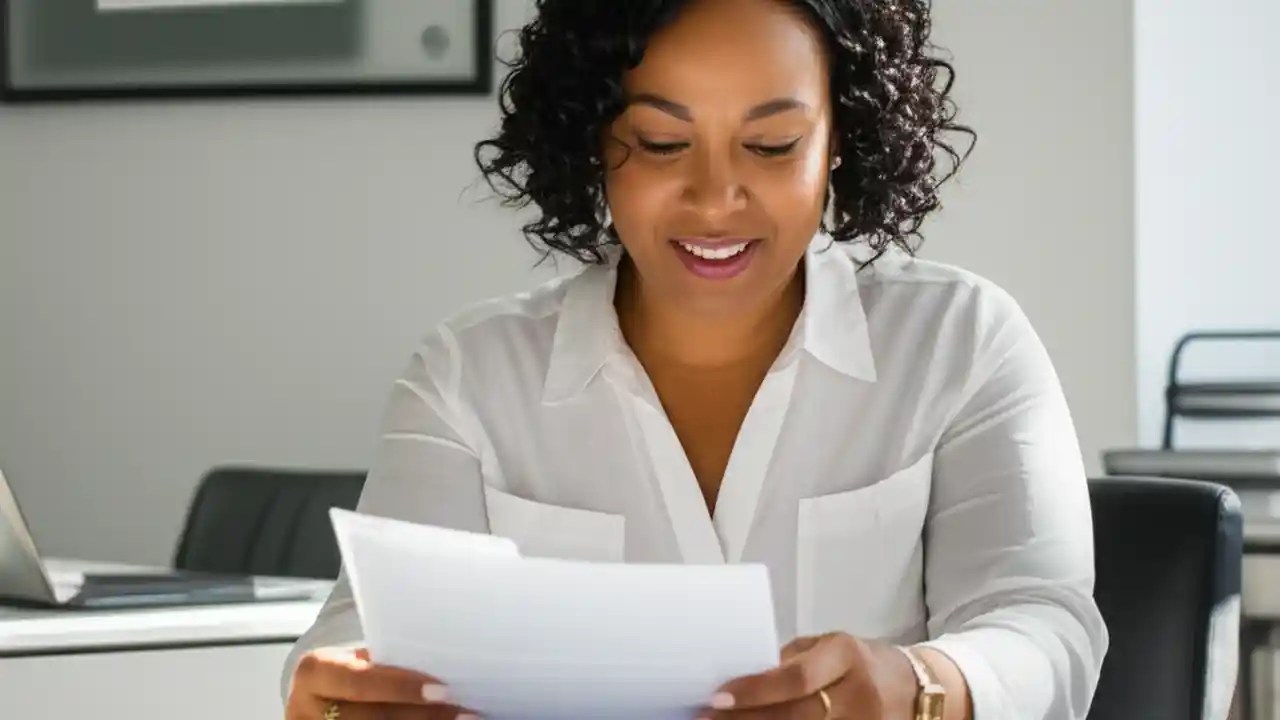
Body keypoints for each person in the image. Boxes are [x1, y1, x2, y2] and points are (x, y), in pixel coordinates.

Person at [282, 0, 1108, 718]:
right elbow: (358, 633)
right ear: (595, 140)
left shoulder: (957, 342)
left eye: (774, 145)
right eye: (662, 142)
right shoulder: (468, 377)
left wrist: (916, 687)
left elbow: (1046, 629)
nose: (716, 199)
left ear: (840, 143)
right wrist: (338, 695)